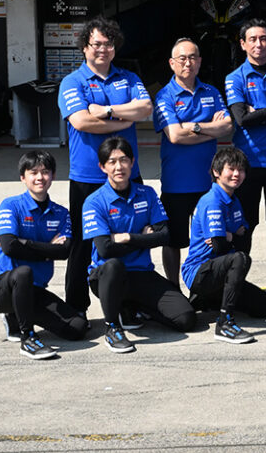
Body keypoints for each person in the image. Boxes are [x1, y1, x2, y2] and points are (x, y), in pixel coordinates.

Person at [58, 16, 153, 317]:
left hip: (127, 175)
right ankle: (76, 307)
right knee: (82, 244)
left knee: (129, 239)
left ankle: (128, 304)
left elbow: (146, 108)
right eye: (96, 44)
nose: (102, 49)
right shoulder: (73, 82)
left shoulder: (128, 78)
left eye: (108, 44)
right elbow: (81, 120)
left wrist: (108, 111)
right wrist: (124, 121)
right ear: (84, 48)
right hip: (87, 176)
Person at [82, 137, 198, 353]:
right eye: (112, 161)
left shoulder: (147, 194)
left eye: (124, 160)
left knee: (186, 318)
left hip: (141, 273)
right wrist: (144, 237)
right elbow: (105, 249)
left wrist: (127, 238)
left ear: (132, 162)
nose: (119, 167)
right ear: (102, 166)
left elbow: (164, 236)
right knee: (114, 264)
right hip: (107, 277)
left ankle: (133, 306)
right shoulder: (94, 202)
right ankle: (112, 328)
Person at [0, 150, 89, 360]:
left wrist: (26, 243)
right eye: (33, 172)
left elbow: (64, 252)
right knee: (23, 273)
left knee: (78, 328)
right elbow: (10, 246)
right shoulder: (11, 205)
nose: (40, 177)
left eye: (45, 172)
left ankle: (15, 316)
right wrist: (48, 249)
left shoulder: (61, 213)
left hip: (34, 290)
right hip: (1, 289)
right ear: (23, 177)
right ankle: (27, 338)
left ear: (53, 176)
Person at [153, 37, 233, 286]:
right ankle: (173, 286)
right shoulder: (164, 95)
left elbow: (228, 127)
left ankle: (206, 285)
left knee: (210, 238)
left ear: (199, 62)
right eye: (182, 58)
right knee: (174, 241)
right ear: (171, 63)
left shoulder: (211, 92)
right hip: (176, 183)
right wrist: (210, 128)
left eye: (192, 57)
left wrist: (194, 127)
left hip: (209, 183)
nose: (187, 63)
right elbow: (174, 135)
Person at [181, 146, 266, 343]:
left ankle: (208, 300)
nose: (237, 174)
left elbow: (242, 239)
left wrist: (229, 237)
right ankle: (224, 322)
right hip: (200, 272)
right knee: (241, 258)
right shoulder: (213, 201)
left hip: (221, 269)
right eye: (231, 169)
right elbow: (219, 247)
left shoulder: (233, 199)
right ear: (217, 172)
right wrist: (232, 237)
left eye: (241, 170)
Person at [225, 19, 266, 282]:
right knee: (245, 226)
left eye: (263, 38)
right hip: (246, 165)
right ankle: (239, 281)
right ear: (243, 44)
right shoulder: (234, 78)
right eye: (252, 39)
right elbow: (242, 119)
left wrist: (259, 112)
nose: (258, 44)